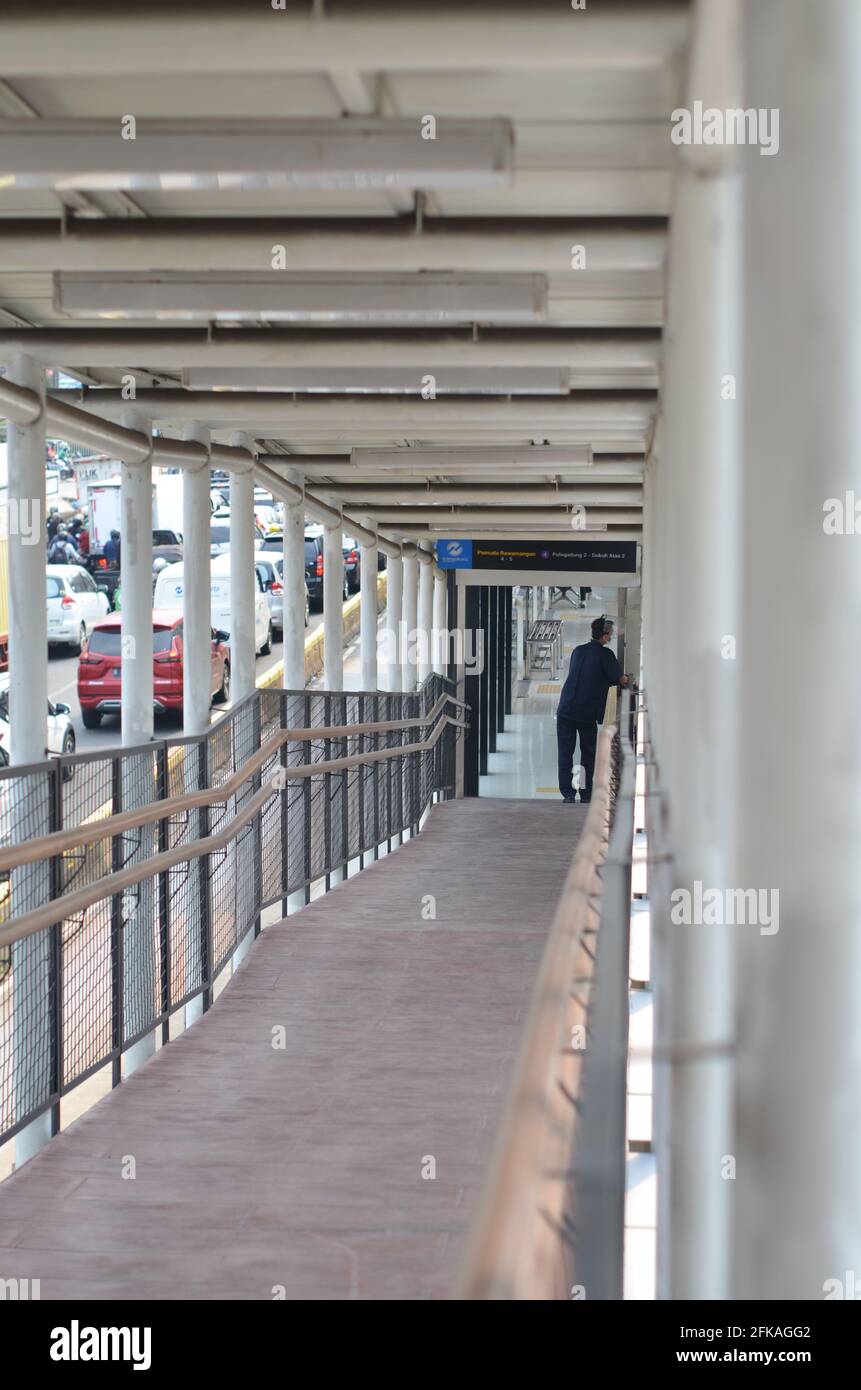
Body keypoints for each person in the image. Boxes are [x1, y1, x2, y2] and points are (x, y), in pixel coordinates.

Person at [556, 614, 629, 804]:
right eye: (610, 634)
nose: (611, 637)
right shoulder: (606, 655)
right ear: (605, 636)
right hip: (586, 712)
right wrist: (627, 679)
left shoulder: (578, 651)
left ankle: (568, 794)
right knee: (587, 753)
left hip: (565, 709)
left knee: (566, 752)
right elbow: (620, 679)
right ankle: (585, 793)